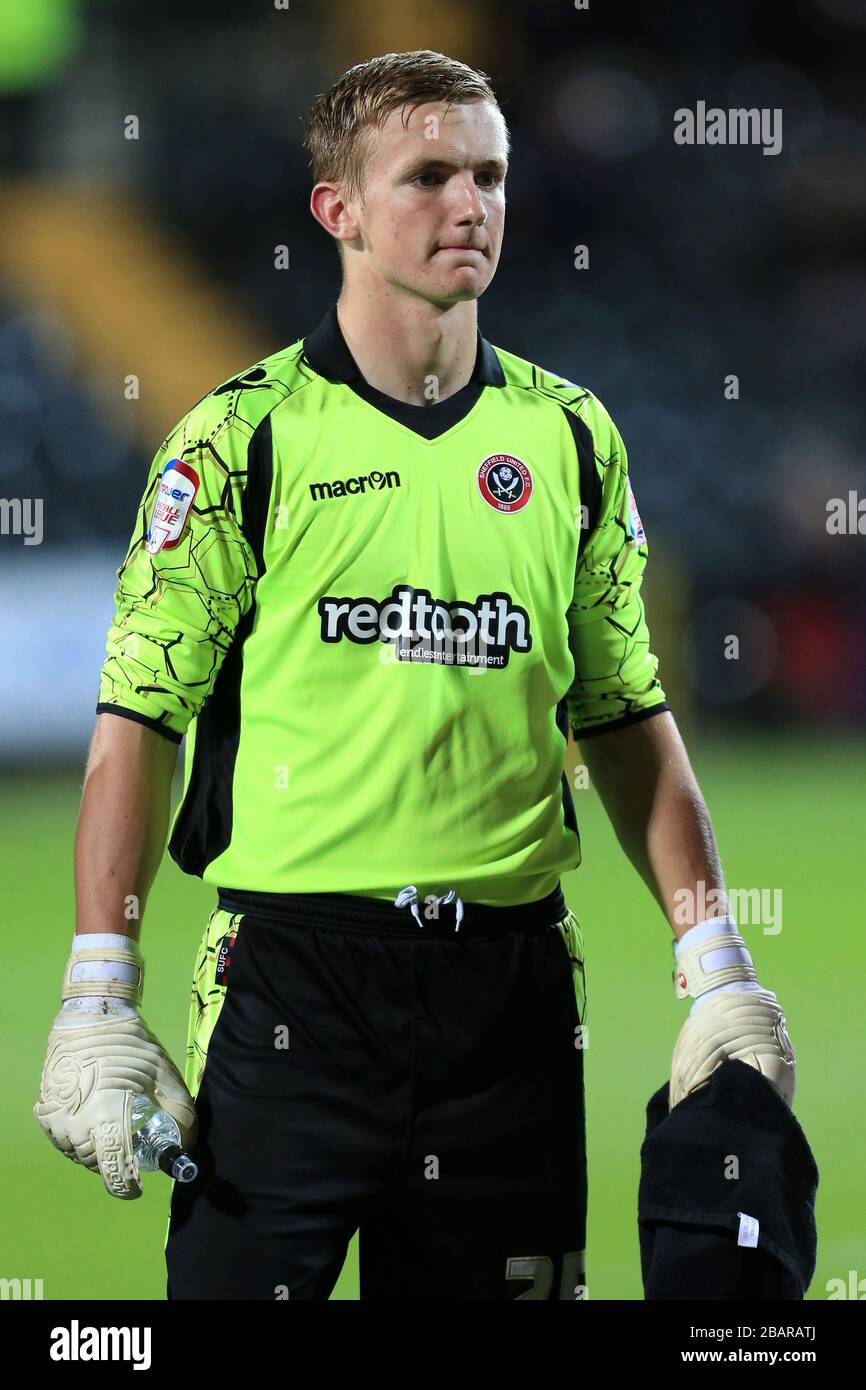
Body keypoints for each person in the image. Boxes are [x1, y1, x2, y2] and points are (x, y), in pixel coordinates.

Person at [33, 49, 795, 1301]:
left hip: (508, 1003)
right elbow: (139, 716)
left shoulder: (570, 438)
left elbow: (624, 714)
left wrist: (714, 961)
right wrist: (98, 991)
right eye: (429, 175)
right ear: (337, 210)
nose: (470, 205)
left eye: (489, 175)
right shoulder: (240, 440)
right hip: (290, 991)